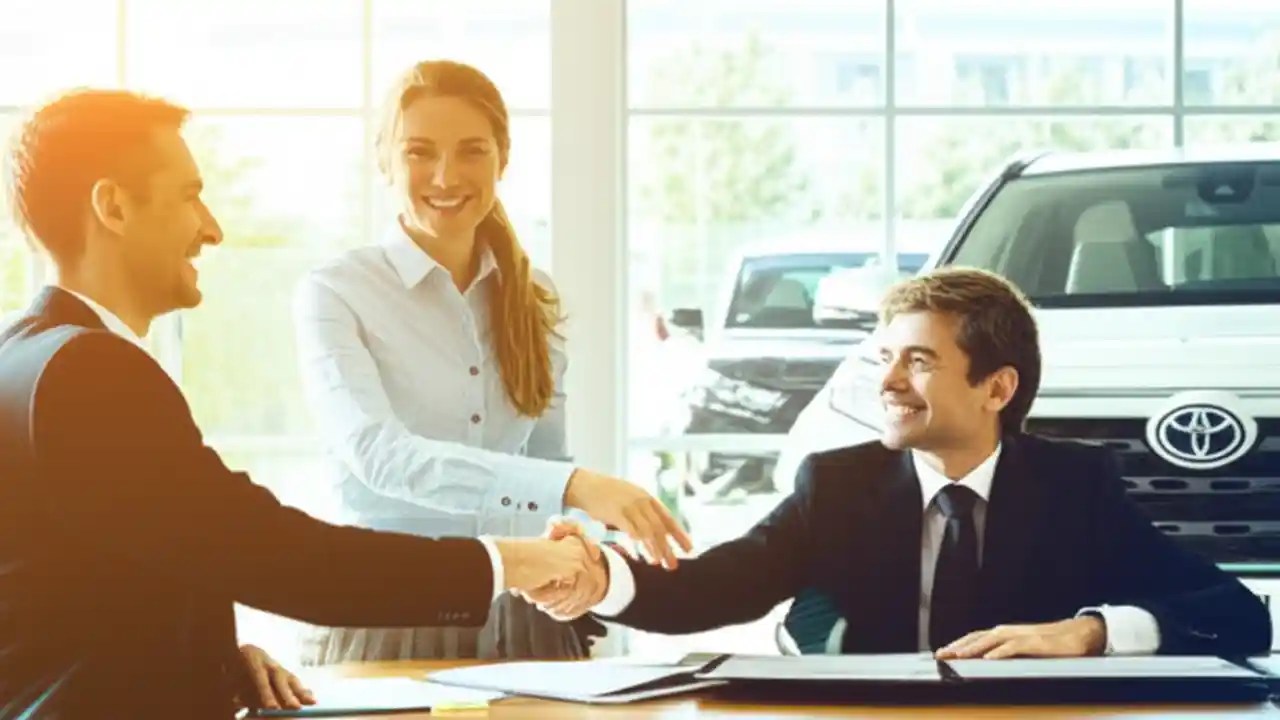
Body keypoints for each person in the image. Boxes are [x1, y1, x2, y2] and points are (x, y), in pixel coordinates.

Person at [0, 88, 604, 720]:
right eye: (188, 195)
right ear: (114, 206)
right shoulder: (94, 373)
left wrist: (214, 654)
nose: (211, 228)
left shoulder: (26, 357)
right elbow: (274, 553)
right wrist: (510, 560)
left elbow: (111, 574)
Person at [531, 267, 1271, 659]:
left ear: (997, 388)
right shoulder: (837, 483)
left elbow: (1235, 616)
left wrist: (1087, 632)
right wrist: (603, 577)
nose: (886, 384)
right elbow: (715, 589)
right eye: (885, 359)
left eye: (917, 362)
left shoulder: (1074, 488)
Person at [291, 59, 690, 664]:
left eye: (471, 151)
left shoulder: (532, 296)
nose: (446, 175)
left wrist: (588, 551)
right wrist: (577, 486)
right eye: (419, 152)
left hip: (525, 618)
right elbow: (380, 456)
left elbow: (547, 466)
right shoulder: (335, 292)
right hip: (387, 608)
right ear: (385, 162)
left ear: (503, 158)